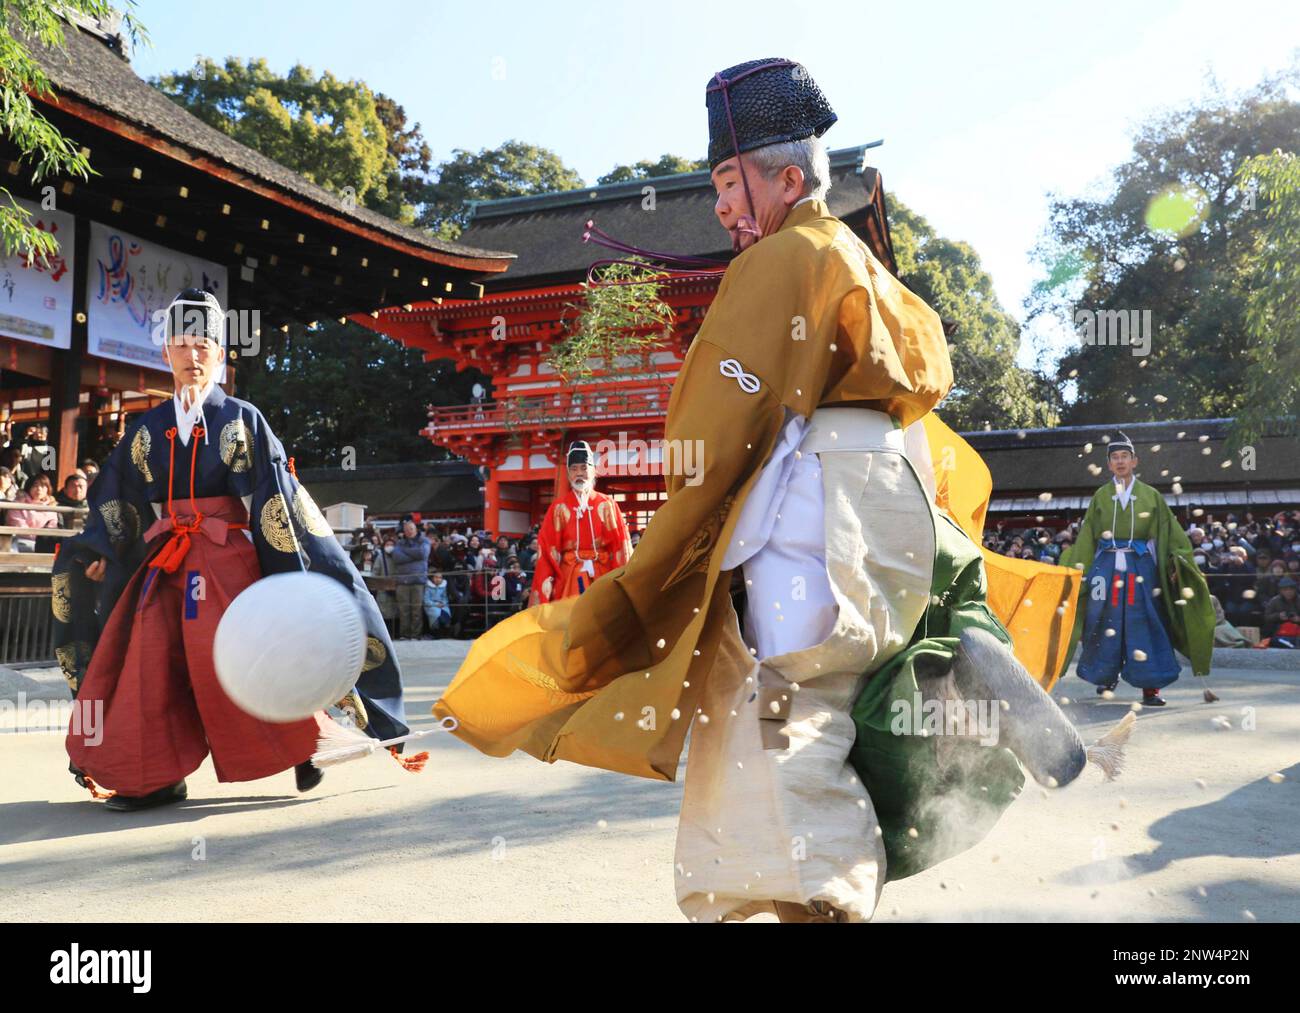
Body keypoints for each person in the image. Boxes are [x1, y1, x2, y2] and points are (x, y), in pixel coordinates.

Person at [433, 58, 1093, 923]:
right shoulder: (854, 253)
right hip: (894, 497)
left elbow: (718, 421)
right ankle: (954, 646)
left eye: (728, 182)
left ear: (788, 178)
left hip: (812, 515)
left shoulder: (782, 257)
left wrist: (670, 549)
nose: (721, 207)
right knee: (850, 691)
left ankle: (826, 897)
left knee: (783, 712)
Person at [51, 288, 410, 811]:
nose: (192, 357)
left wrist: (290, 570)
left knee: (247, 653)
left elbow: (276, 501)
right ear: (166, 352)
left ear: (220, 354)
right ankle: (154, 776)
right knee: (150, 659)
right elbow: (118, 499)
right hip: (165, 559)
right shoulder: (145, 429)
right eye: (181, 344)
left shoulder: (242, 418)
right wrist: (101, 549)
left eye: (203, 346)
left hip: (227, 558)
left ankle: (308, 743)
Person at [1060, 434, 1216, 706]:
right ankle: (1105, 675)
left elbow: (1171, 534)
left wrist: (1177, 561)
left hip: (1141, 567)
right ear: (1108, 464)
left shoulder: (1150, 496)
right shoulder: (1101, 496)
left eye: (1124, 457)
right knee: (1102, 619)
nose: (1120, 462)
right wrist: (1076, 568)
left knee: (1145, 621)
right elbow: (1087, 536)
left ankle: (1150, 687)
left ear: (1134, 461)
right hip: (1105, 567)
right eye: (1114, 458)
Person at [528, 440, 633, 605]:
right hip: (569, 576)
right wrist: (546, 588)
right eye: (574, 469)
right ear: (569, 473)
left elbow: (621, 546)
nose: (579, 473)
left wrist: (623, 583)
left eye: (584, 468)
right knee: (569, 619)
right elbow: (548, 551)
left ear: (593, 471)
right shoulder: (558, 507)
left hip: (602, 573)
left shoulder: (606, 504)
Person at [390, 516, 430, 639]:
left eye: (411, 529)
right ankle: (404, 634)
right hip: (402, 581)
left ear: (416, 529)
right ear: (404, 531)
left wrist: (406, 551)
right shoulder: (400, 543)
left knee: (416, 610)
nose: (409, 531)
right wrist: (414, 554)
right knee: (404, 610)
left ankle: (415, 634)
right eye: (407, 529)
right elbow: (397, 558)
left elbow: (423, 554)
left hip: (418, 580)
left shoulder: (424, 541)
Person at [9, 473, 60, 552]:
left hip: (44, 543)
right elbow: (18, 526)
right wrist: (37, 537)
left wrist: (43, 540)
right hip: (22, 541)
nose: (39, 489)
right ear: (29, 487)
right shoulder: (19, 504)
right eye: (35, 486)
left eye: (43, 486)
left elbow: (52, 526)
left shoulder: (51, 505)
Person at [1262, 577, 1300, 648]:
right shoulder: (1274, 601)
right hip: (1280, 629)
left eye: (1291, 589)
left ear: (1295, 590)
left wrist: (1298, 619)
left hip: (1297, 629)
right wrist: (1278, 616)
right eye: (1285, 589)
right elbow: (1267, 617)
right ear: (1281, 591)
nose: (1288, 592)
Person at [423, 569, 452, 637]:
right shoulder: (428, 586)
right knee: (436, 615)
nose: (438, 579)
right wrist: (436, 605)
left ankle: (444, 633)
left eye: (440, 577)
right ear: (432, 578)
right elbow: (426, 600)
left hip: (442, 605)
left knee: (445, 615)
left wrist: (443, 604)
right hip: (431, 605)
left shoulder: (444, 586)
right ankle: (436, 633)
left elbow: (445, 598)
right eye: (436, 577)